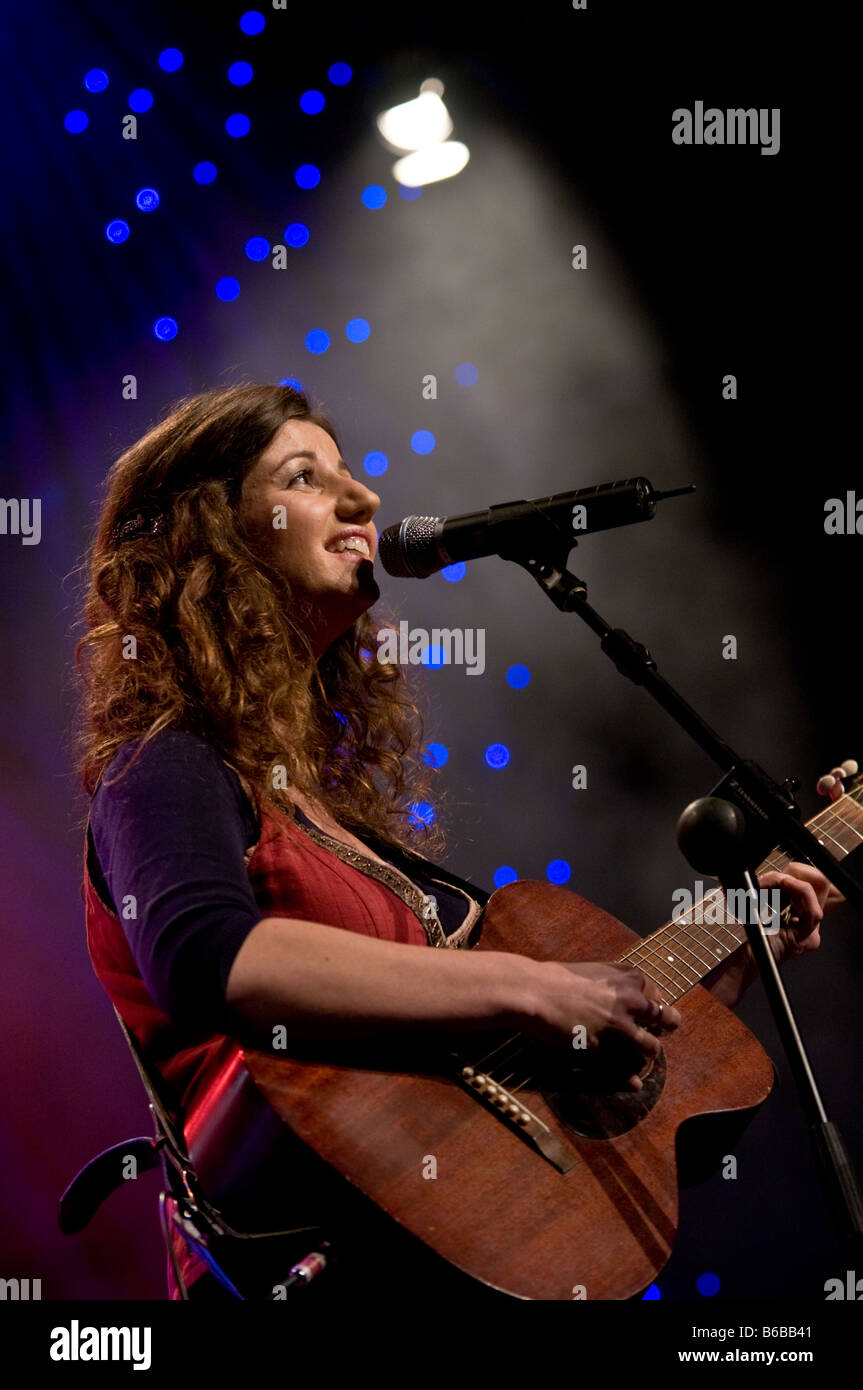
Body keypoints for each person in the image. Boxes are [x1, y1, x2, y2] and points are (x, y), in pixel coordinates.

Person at [74, 382, 843, 1301]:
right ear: (211, 539)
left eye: (351, 473)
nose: (363, 501)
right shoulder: (167, 766)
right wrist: (533, 984)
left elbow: (519, 1098)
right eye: (306, 477)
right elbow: (208, 956)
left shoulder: (335, 825)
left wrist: (737, 938)